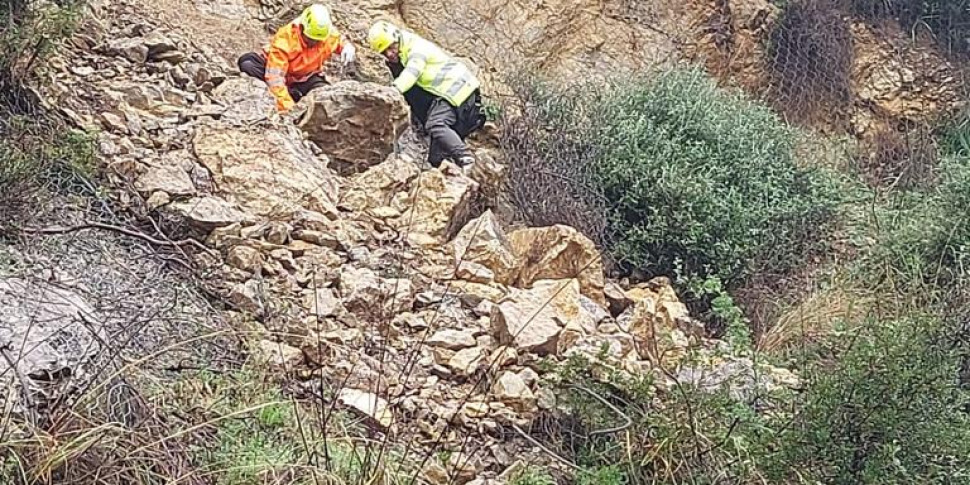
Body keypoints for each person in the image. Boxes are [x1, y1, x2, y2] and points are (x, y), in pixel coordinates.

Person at [367, 20, 485, 168]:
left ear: (397, 37)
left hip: (458, 92)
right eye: (384, 52)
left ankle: (466, 157)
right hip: (456, 96)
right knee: (436, 159)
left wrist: (393, 91)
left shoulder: (415, 47)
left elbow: (413, 72)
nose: (389, 53)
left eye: (391, 47)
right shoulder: (401, 55)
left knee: (436, 124)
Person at [238, 4, 356, 113]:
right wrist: (288, 107)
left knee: (324, 93)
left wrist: (346, 46)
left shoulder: (326, 35)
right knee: (248, 63)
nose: (313, 42)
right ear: (301, 28)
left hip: (304, 78)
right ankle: (290, 95)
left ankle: (294, 93)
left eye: (317, 40)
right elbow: (275, 78)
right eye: (309, 38)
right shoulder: (285, 39)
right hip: (273, 70)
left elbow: (338, 40)